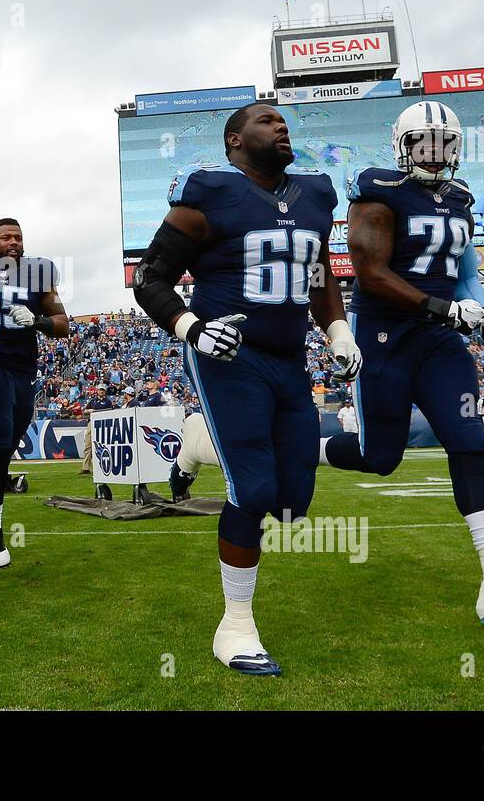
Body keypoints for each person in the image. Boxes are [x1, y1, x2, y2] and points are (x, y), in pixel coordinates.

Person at [319, 99, 484, 638]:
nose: (434, 154)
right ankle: (307, 445)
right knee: (379, 459)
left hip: (438, 340)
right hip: (383, 337)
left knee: (469, 439)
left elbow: (466, 273)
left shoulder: (459, 199)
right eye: (423, 143)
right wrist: (444, 308)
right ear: (401, 145)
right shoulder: (378, 192)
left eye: (443, 144)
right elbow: (370, 273)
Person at [134, 103, 360, 676]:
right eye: (265, 120)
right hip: (229, 355)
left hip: (288, 358)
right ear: (235, 140)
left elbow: (318, 274)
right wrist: (192, 328)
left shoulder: (315, 195)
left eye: (283, 119)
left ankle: (202, 448)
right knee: (253, 489)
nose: (280, 125)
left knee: (291, 504)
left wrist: (336, 329)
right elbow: (150, 277)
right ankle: (235, 624)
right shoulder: (208, 194)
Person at [0, 218, 69, 568]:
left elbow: (62, 325)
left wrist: (37, 320)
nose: (13, 242)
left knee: (4, 447)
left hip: (22, 368)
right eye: (6, 237)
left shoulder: (39, 272)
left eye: (18, 237)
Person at [80, 386, 114, 474]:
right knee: (88, 445)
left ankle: (105, 465)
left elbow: (111, 412)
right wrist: (90, 410)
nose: (101, 391)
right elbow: (85, 411)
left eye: (103, 390)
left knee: (104, 445)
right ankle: (86, 467)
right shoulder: (92, 401)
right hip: (92, 422)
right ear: (97, 391)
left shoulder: (108, 401)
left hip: (104, 424)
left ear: (105, 391)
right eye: (100, 390)